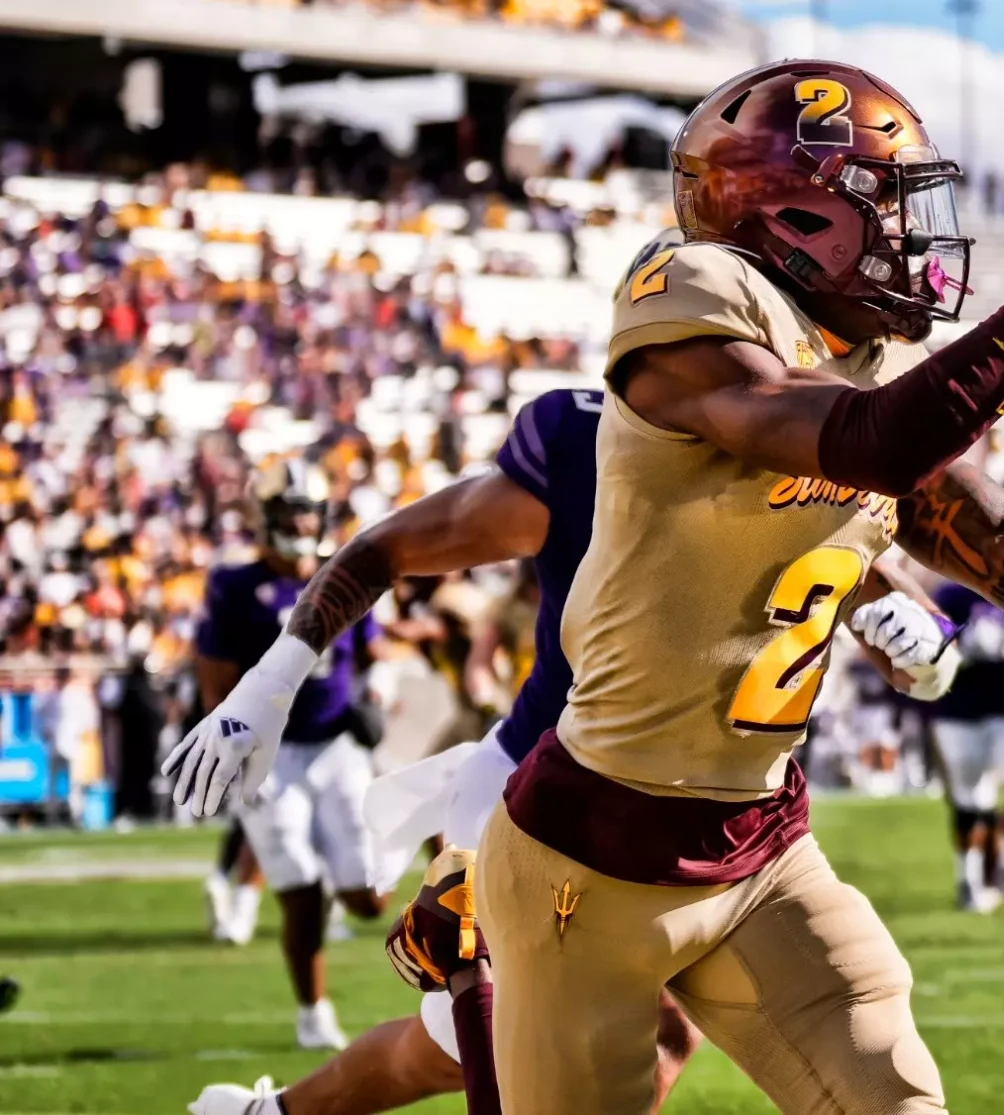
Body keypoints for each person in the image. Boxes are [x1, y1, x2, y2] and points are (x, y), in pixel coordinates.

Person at [174, 57, 1004, 1114]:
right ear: (790, 217)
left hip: (762, 852)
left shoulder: (872, 363)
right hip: (587, 869)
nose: (918, 240)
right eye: (888, 212)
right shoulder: (692, 301)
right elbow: (862, 443)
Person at [181, 388, 961, 1115]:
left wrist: (931, 656)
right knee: (513, 1053)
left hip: (704, 816)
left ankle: (274, 1112)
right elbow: (392, 546)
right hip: (544, 797)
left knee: (476, 1053)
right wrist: (263, 691)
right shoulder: (584, 444)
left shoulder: (800, 452)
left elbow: (896, 606)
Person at [191, 459, 394, 1052]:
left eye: (311, 510)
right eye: (294, 511)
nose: (304, 522)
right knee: (300, 887)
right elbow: (215, 675)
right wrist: (227, 744)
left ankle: (334, 874)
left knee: (367, 899)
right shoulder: (236, 585)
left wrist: (372, 699)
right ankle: (313, 1013)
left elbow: (370, 656)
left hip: (335, 744)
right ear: (269, 517)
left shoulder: (346, 573)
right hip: (268, 753)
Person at [925, 580, 1004, 912]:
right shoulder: (949, 595)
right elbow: (927, 649)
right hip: (960, 709)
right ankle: (968, 879)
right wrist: (957, 650)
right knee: (972, 802)